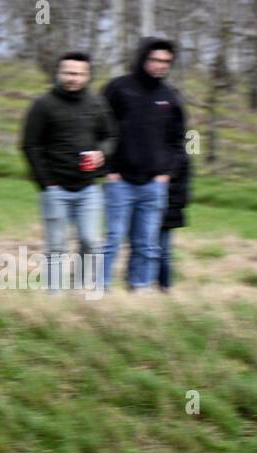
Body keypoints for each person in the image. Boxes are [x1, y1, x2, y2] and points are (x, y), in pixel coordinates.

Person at [20, 51, 116, 293]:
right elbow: (29, 145)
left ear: (88, 75)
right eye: (69, 73)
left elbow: (111, 135)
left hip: (88, 189)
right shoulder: (43, 105)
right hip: (55, 189)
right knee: (56, 246)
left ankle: (79, 289)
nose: (73, 78)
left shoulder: (97, 103)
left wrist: (101, 153)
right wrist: (46, 183)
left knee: (90, 241)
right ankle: (54, 297)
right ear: (59, 73)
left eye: (79, 74)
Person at [102, 37, 187, 292]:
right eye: (155, 59)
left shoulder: (170, 97)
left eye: (166, 61)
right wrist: (108, 170)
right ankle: (97, 287)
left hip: (153, 184)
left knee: (148, 243)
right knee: (113, 239)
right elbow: (98, 129)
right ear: (142, 59)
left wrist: (166, 173)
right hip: (120, 181)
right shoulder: (118, 89)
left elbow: (178, 140)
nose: (160, 65)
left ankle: (139, 289)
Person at [156, 148, 191, 292]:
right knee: (143, 249)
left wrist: (169, 207)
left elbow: (184, 191)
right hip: (149, 207)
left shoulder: (180, 156)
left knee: (163, 252)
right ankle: (142, 285)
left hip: (167, 211)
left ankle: (165, 286)